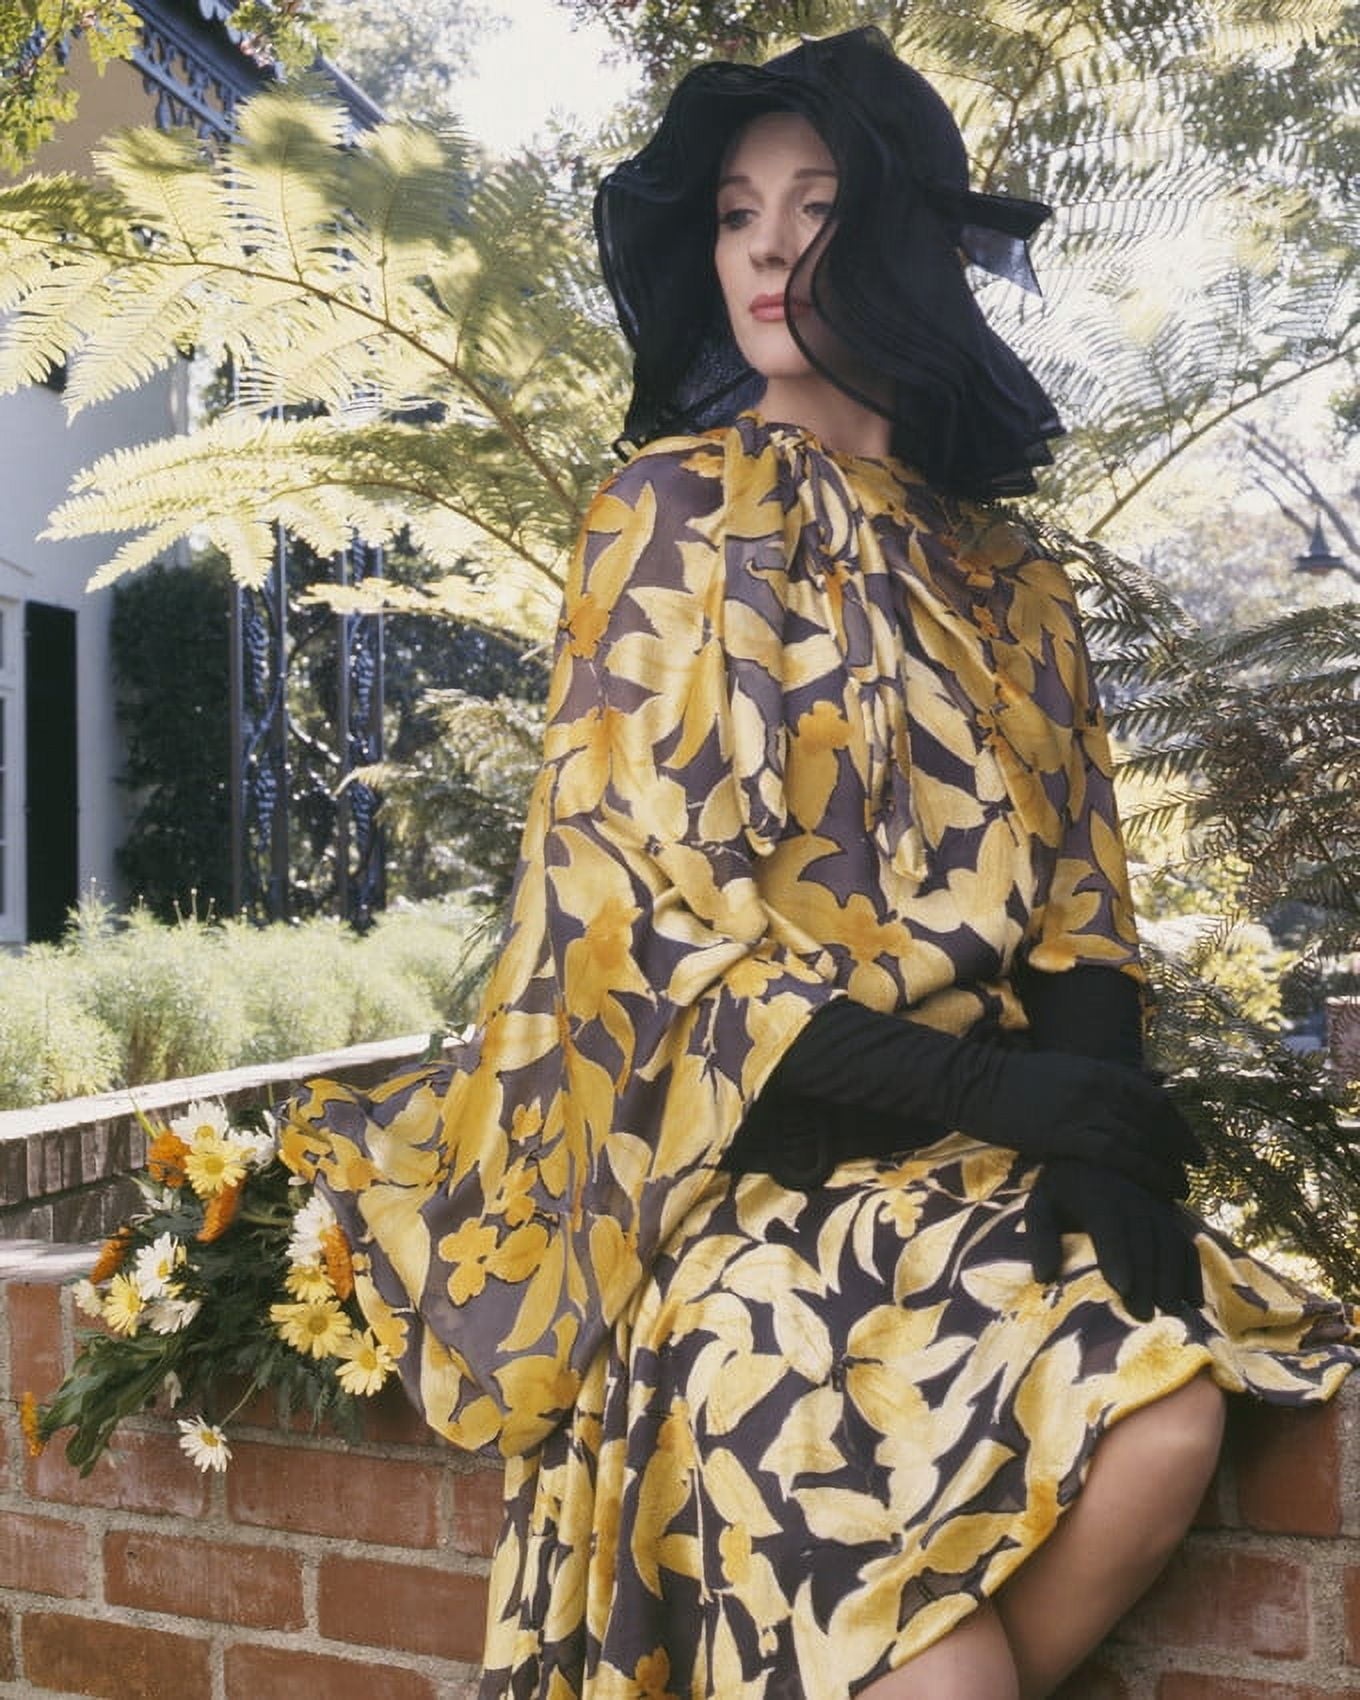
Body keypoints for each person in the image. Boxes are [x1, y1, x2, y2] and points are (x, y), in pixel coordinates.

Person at [280, 26, 1359, 1699]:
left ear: (908, 243)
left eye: (817, 205)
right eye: (732, 211)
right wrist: (1007, 1105)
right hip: (738, 1173)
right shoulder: (665, 516)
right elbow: (638, 941)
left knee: (1169, 1426)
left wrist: (1099, 1152)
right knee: (935, 1673)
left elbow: (1082, 915)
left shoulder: (1013, 577)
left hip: (972, 1180)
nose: (768, 247)